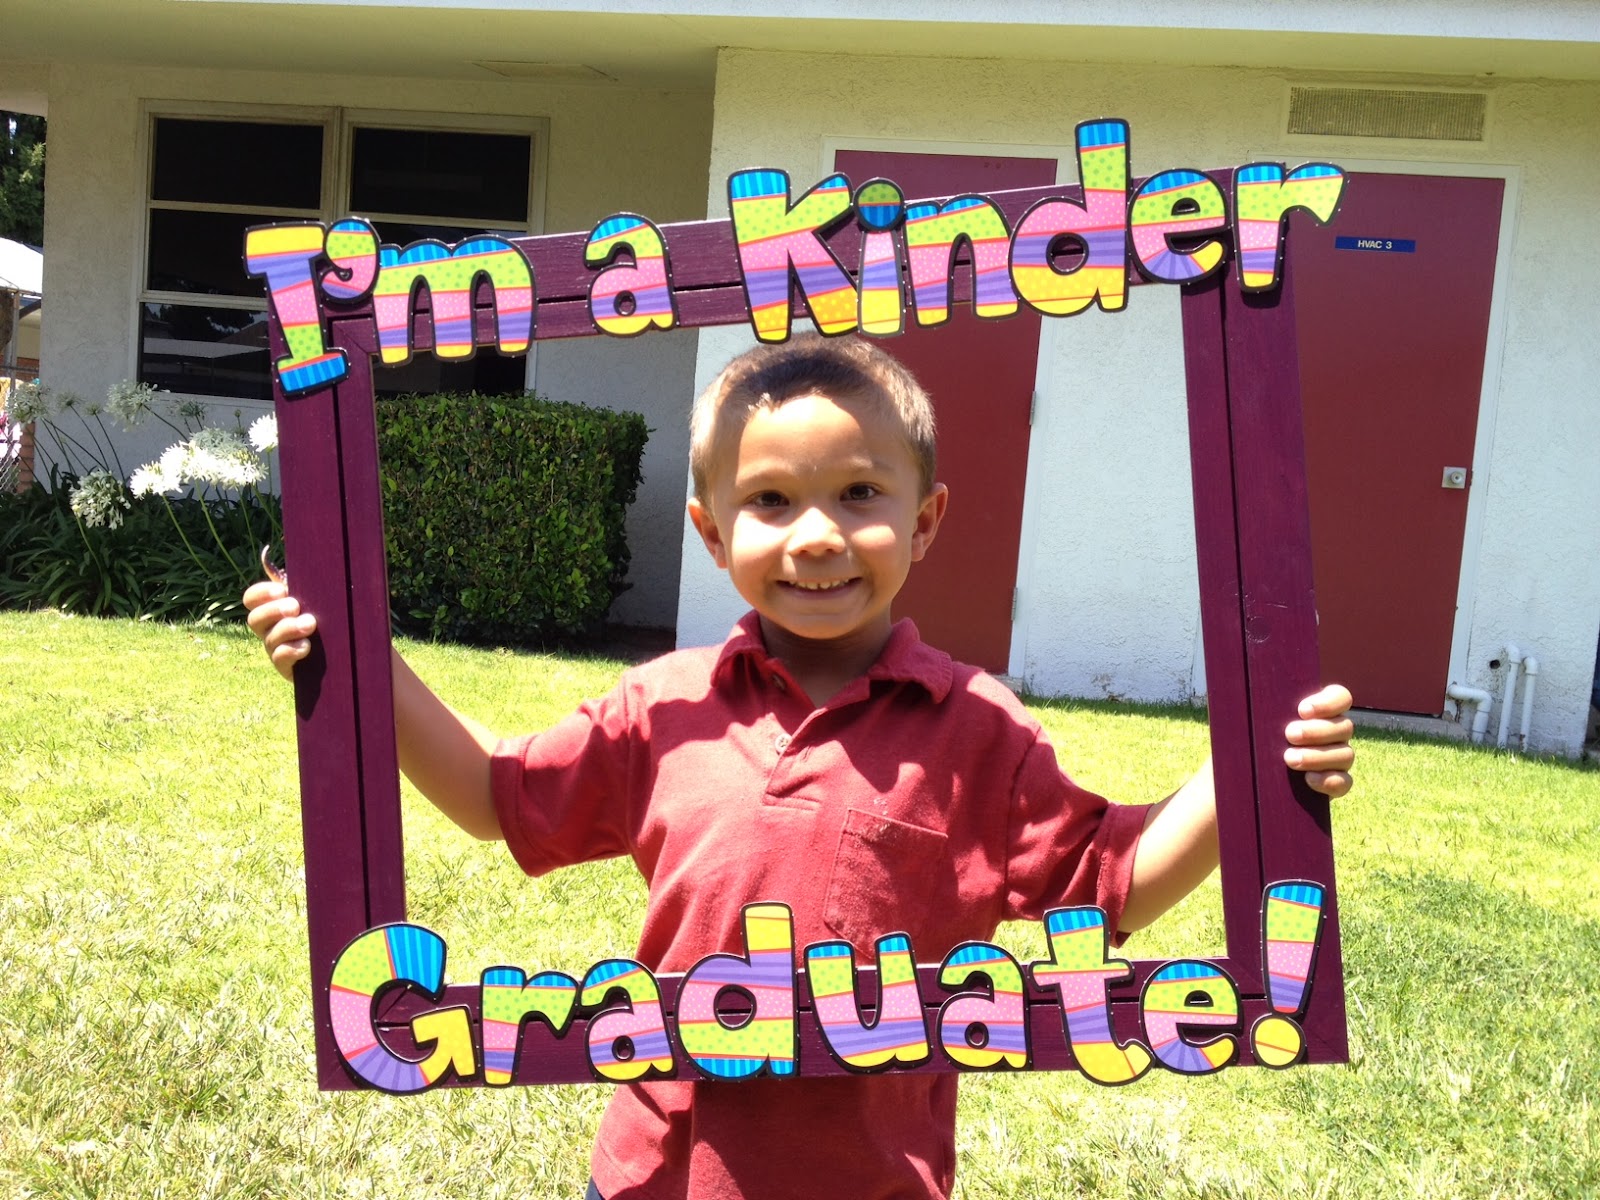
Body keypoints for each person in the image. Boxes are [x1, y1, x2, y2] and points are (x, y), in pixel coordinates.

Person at [245, 334, 1354, 1200]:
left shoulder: (975, 728)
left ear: (925, 523)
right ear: (713, 531)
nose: (815, 535)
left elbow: (1119, 880)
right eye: (770, 501)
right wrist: (359, 660)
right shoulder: (663, 706)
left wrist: (1256, 765)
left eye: (861, 494)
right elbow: (495, 800)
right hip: (653, 1172)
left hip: (873, 1180)